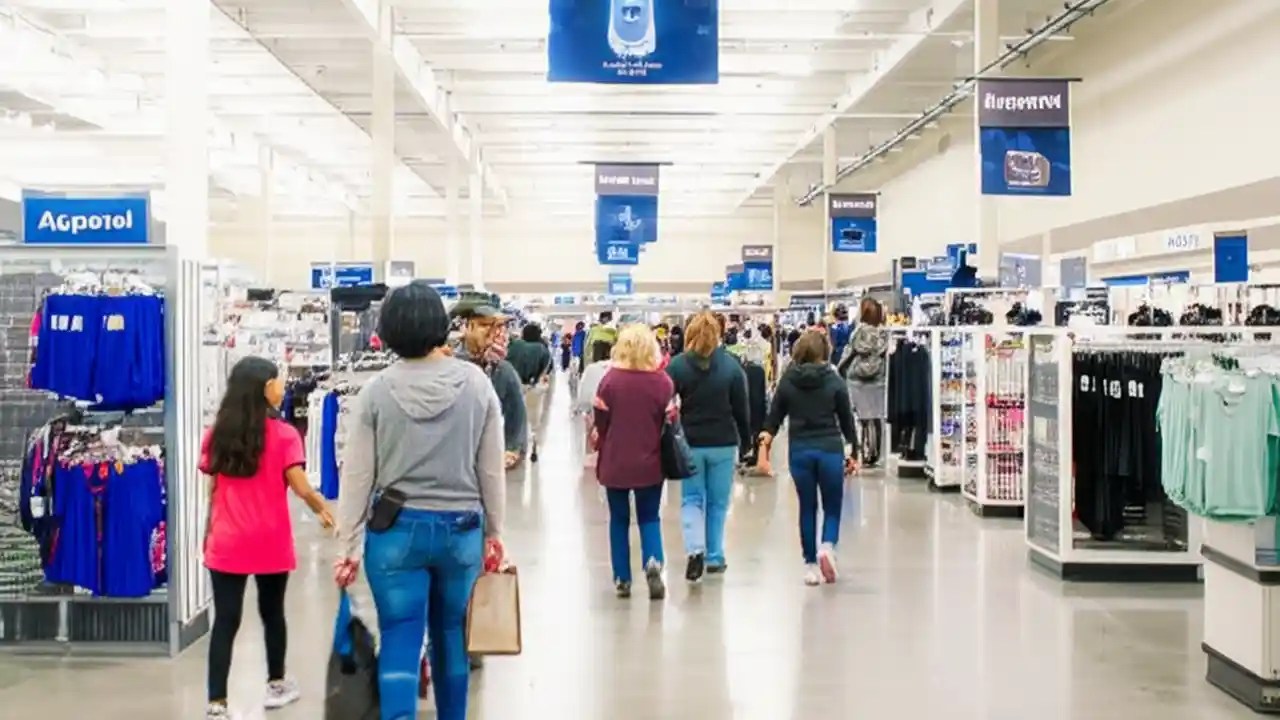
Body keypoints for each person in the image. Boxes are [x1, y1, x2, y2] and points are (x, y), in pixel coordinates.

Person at [334, 281, 507, 720]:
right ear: (440, 325)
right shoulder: (477, 385)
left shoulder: (375, 391)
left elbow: (357, 476)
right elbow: (490, 469)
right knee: (452, 637)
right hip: (462, 534)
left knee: (399, 638)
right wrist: (496, 532)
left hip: (395, 535)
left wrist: (346, 545)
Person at [201, 356, 334, 719]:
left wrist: (207, 532)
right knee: (272, 612)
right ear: (265, 388)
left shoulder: (218, 435)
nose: (282, 387)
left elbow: (212, 488)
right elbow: (299, 482)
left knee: (225, 621)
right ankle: (276, 685)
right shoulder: (285, 435)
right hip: (268, 539)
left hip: (226, 540)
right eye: (278, 381)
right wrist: (321, 507)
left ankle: (217, 703)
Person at [757, 332, 858, 586]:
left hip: (800, 452)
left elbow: (773, 419)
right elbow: (847, 422)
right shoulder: (834, 381)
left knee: (807, 507)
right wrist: (854, 452)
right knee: (833, 506)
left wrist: (763, 446)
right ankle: (827, 546)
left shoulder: (788, 381)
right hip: (830, 450)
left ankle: (811, 565)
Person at [666, 312, 750, 582]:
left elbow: (662, 402)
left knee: (692, 500)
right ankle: (715, 556)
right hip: (724, 443)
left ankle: (694, 549)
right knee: (717, 503)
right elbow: (742, 409)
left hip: (690, 443)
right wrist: (746, 441)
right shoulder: (731, 366)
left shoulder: (677, 366)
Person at [593, 325, 673, 600]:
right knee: (649, 517)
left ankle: (622, 579)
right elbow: (672, 421)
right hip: (651, 462)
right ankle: (653, 562)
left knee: (618, 519)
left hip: (615, 462)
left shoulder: (609, 381)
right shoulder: (663, 382)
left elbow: (600, 422)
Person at [450, 292, 526, 469]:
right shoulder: (446, 363)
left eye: (498, 326)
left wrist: (511, 449)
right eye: (484, 325)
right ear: (464, 326)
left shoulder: (502, 371)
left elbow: (517, 414)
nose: (494, 332)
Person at [838, 298, 889, 467]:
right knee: (876, 416)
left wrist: (840, 369)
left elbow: (849, 354)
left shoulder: (857, 333)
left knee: (861, 417)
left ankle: (861, 449)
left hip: (857, 379)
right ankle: (874, 454)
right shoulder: (883, 334)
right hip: (877, 379)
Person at [507, 321, 553, 462]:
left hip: (513, 385)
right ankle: (533, 447)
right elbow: (547, 369)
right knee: (533, 418)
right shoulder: (542, 349)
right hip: (533, 388)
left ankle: (514, 448)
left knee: (513, 417)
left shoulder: (514, 346)